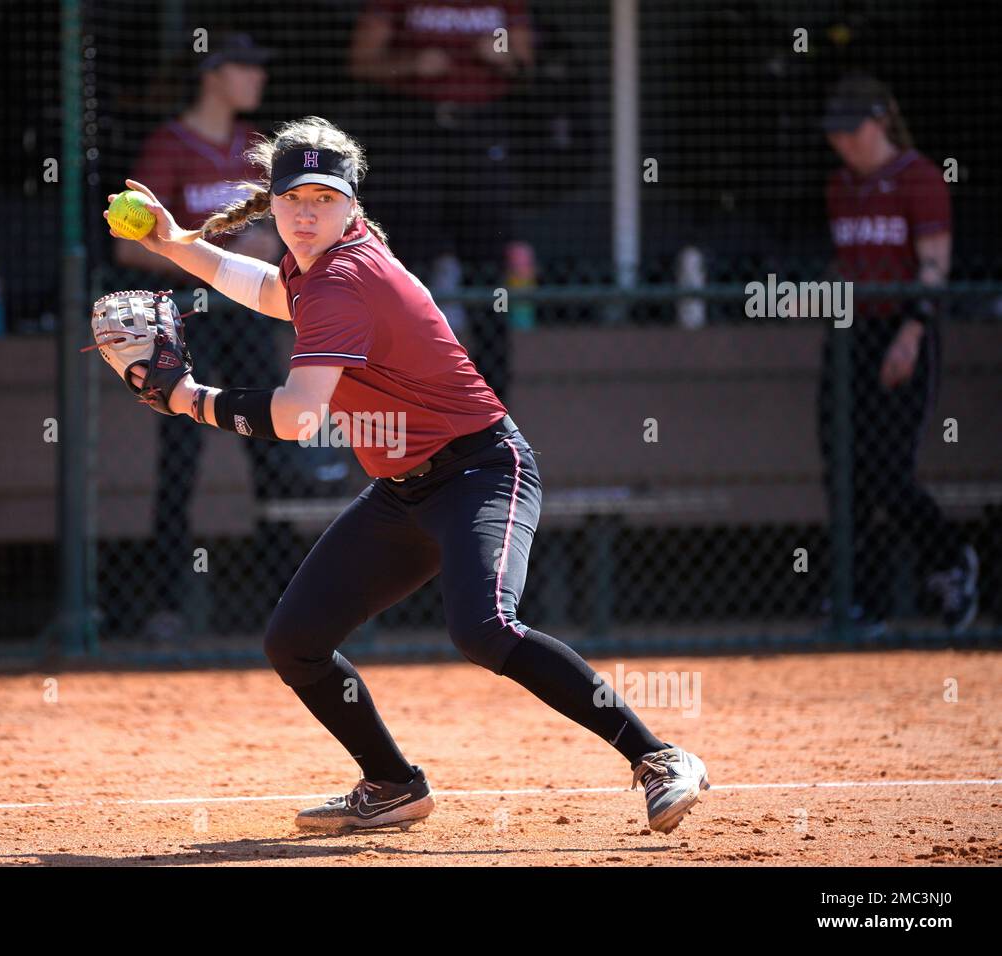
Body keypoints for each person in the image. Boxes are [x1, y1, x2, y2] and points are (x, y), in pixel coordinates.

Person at [99, 116, 710, 834]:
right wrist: (179, 246)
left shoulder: (344, 274)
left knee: (485, 630)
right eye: (293, 198)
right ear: (273, 201)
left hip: (482, 470)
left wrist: (185, 400)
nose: (304, 213)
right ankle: (391, 783)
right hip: (403, 490)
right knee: (295, 640)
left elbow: (298, 417)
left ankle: (658, 756)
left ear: (352, 205)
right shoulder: (324, 261)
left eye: (323, 199)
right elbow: (271, 291)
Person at [113, 33, 312, 641]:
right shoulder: (169, 145)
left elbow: (287, 232)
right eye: (245, 68)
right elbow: (129, 248)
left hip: (249, 319)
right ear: (213, 74)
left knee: (272, 451)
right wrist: (216, 253)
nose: (257, 78)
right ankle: (166, 606)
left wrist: (267, 252)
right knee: (182, 460)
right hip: (192, 321)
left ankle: (291, 605)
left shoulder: (255, 148)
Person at [818, 73, 979, 635]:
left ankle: (952, 561)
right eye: (836, 135)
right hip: (854, 337)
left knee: (890, 472)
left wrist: (911, 334)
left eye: (853, 131)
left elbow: (935, 268)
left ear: (880, 121)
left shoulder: (920, 178)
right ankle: (863, 600)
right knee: (846, 471)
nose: (844, 144)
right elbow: (844, 266)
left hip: (906, 331)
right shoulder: (840, 186)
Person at [348, 0, 535, 401]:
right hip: (414, 131)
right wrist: (411, 63)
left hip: (480, 132)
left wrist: (501, 56)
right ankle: (400, 388)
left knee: (488, 270)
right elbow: (361, 61)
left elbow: (525, 63)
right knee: (407, 267)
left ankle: (492, 398)